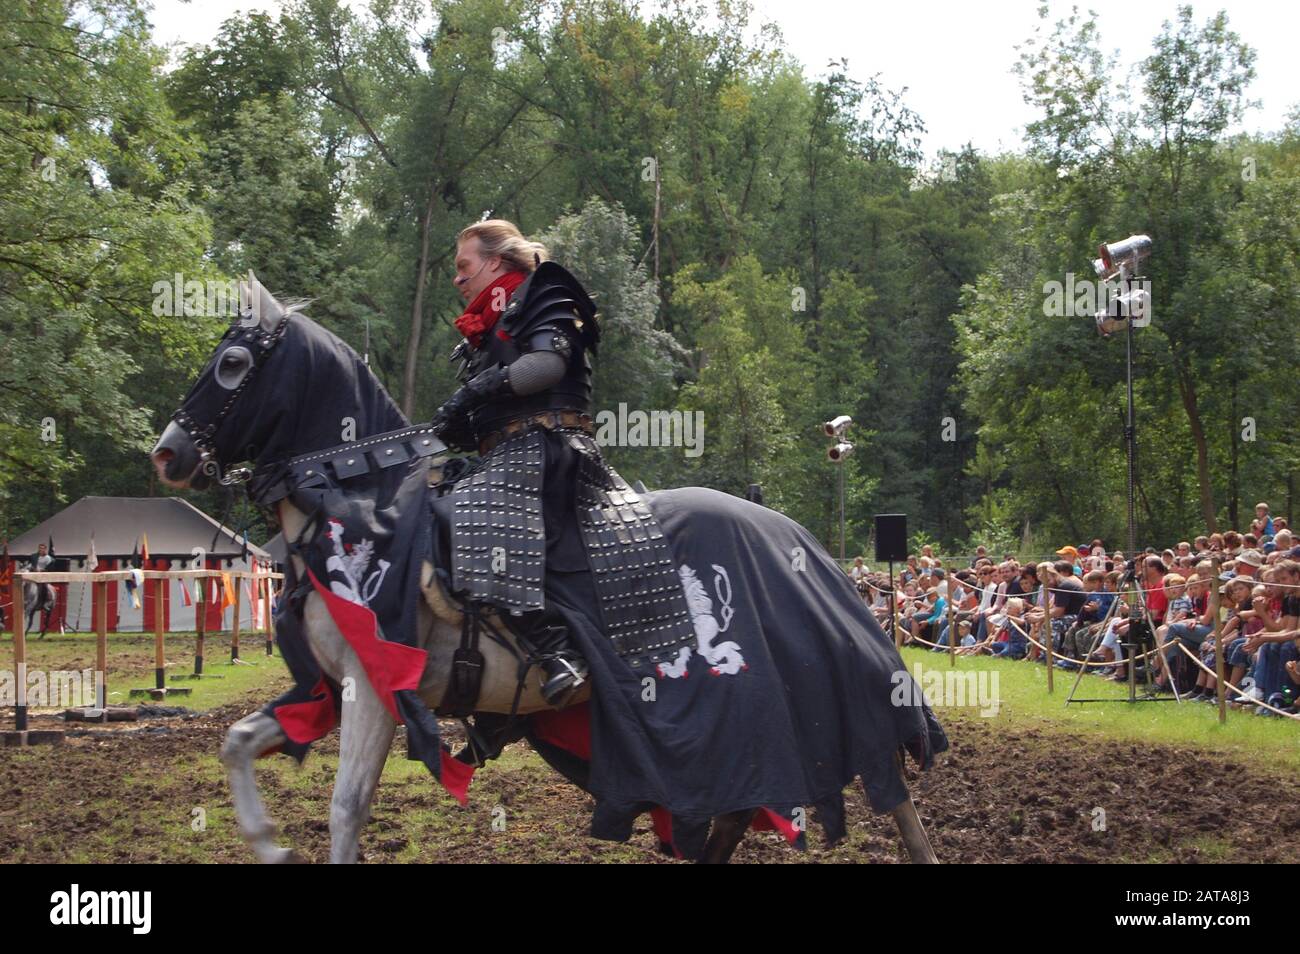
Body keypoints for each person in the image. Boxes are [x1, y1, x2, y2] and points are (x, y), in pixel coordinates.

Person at [428, 218, 602, 707]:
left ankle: (557, 649)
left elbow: (548, 364)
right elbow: (495, 401)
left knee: (465, 516)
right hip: (508, 453)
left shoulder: (542, 293)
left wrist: (478, 389)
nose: (458, 279)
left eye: (464, 267)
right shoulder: (487, 326)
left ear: (497, 260)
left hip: (551, 447)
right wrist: (460, 425)